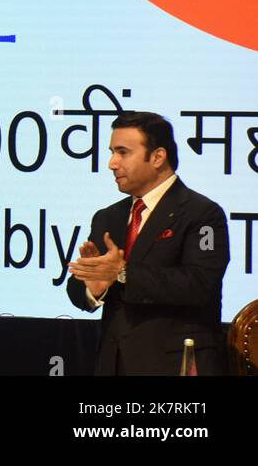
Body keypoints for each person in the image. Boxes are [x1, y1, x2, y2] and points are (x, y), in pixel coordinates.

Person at [66, 111, 230, 375]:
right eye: (111, 152)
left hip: (175, 365)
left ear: (157, 157)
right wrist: (94, 288)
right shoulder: (108, 217)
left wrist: (121, 274)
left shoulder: (202, 213)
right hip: (114, 365)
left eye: (122, 152)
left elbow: (198, 284)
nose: (111, 163)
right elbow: (77, 288)